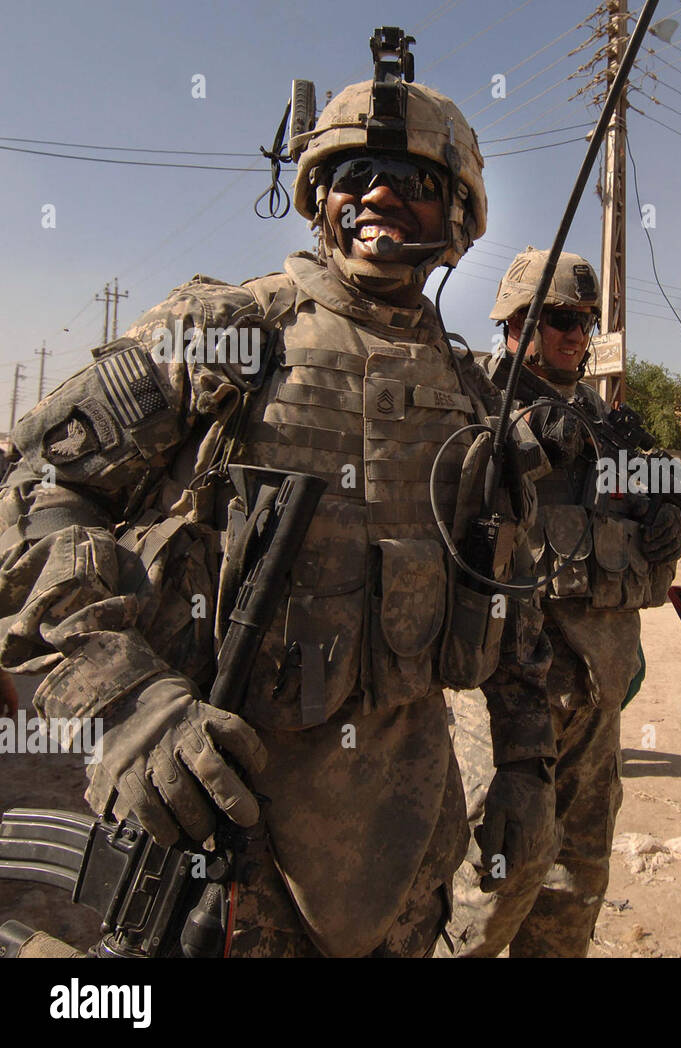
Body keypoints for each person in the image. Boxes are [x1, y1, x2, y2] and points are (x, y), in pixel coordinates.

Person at [0, 34, 553, 957]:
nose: (379, 195)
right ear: (318, 200)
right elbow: (33, 490)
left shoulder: (476, 402)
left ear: (459, 218)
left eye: (412, 181)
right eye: (355, 174)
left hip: (404, 848)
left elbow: (512, 599)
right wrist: (129, 703)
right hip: (216, 820)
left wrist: (528, 770)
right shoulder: (229, 337)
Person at [436, 248, 681, 957]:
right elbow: (440, 517)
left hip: (597, 698)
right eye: (559, 320)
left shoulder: (603, 421)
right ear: (515, 324)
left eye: (585, 320)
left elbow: (636, 540)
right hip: (509, 700)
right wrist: (513, 447)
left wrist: (664, 520)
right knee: (493, 882)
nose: (577, 335)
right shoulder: (472, 406)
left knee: (576, 882)